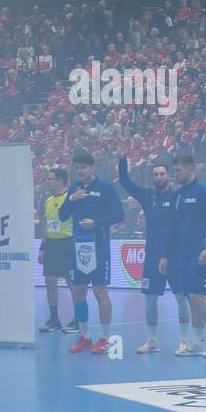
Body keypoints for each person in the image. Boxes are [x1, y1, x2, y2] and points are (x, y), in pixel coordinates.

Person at [159, 154, 206, 357]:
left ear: (191, 167)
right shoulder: (177, 196)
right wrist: (164, 255)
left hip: (202, 253)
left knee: (196, 296)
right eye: (174, 171)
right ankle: (198, 342)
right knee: (191, 298)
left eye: (179, 170)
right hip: (183, 255)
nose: (175, 175)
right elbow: (171, 228)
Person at [118, 155, 189, 354]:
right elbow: (125, 182)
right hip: (152, 257)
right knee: (149, 300)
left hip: (175, 257)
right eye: (156, 174)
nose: (159, 177)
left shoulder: (178, 196)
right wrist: (124, 158)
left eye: (162, 174)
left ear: (169, 176)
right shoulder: (147, 195)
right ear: (152, 178)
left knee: (181, 298)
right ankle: (152, 340)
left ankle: (184, 340)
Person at [59, 150, 124, 355]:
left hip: (100, 246)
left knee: (99, 293)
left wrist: (95, 224)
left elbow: (119, 215)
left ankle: (104, 338)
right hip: (79, 247)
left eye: (83, 167)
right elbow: (62, 216)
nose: (80, 171)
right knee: (78, 292)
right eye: (77, 168)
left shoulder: (106, 187)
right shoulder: (74, 189)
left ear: (92, 168)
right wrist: (71, 199)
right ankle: (85, 336)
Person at [37, 167, 79, 334]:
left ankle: (78, 319)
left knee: (72, 283)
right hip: (52, 245)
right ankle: (54, 319)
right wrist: (42, 247)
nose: (48, 181)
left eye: (50, 179)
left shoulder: (71, 198)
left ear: (60, 180)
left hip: (67, 244)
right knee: (49, 282)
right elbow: (47, 226)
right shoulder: (47, 201)